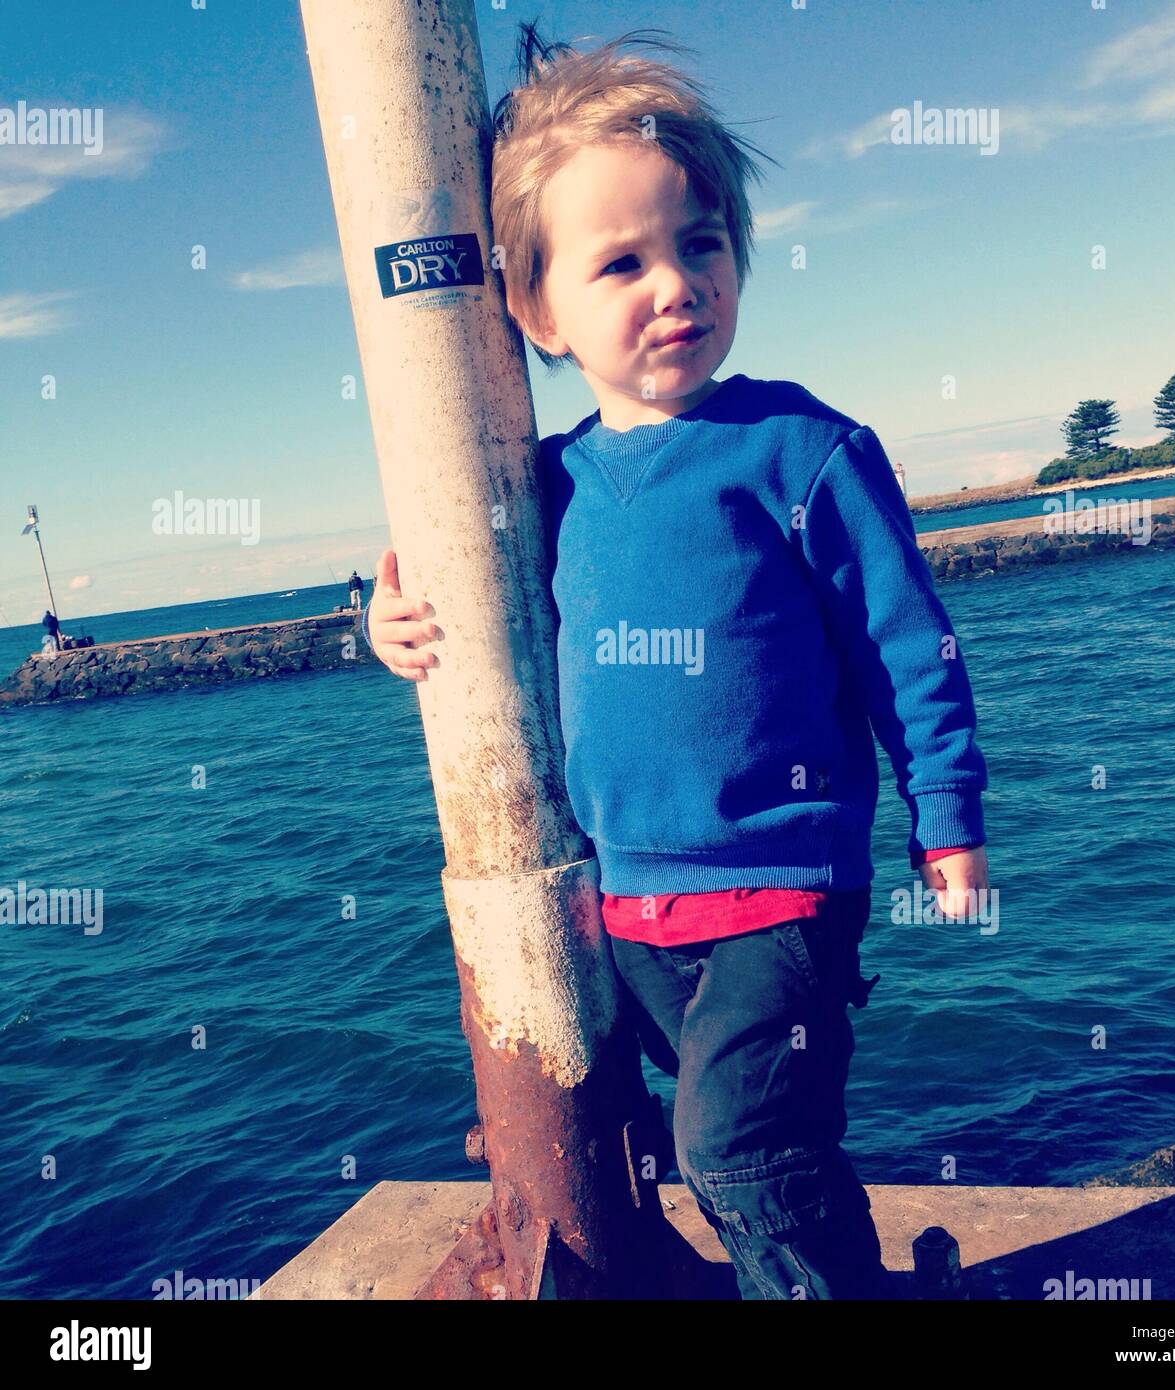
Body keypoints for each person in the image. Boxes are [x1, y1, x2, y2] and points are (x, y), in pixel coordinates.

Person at [362, 24, 991, 1300]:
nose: (674, 283)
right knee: (711, 1135)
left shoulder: (803, 450)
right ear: (535, 310)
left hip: (783, 885)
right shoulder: (544, 486)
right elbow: (439, 571)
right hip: (626, 904)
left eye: (700, 243)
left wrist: (948, 816)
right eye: (621, 262)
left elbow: (906, 646)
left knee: (739, 1144)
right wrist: (382, 617)